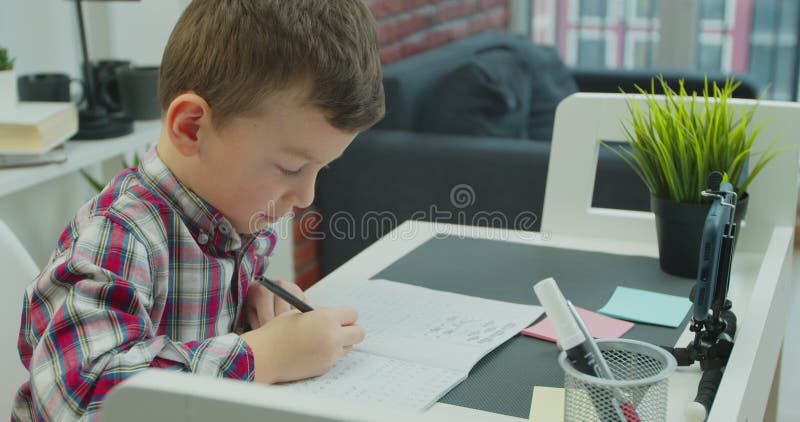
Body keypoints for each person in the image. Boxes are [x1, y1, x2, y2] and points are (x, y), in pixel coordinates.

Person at [12, 0, 384, 420]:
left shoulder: (233, 216)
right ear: (192, 127)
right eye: (291, 167)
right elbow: (84, 397)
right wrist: (261, 355)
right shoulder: (118, 238)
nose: (304, 195)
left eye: (321, 168)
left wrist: (255, 306)